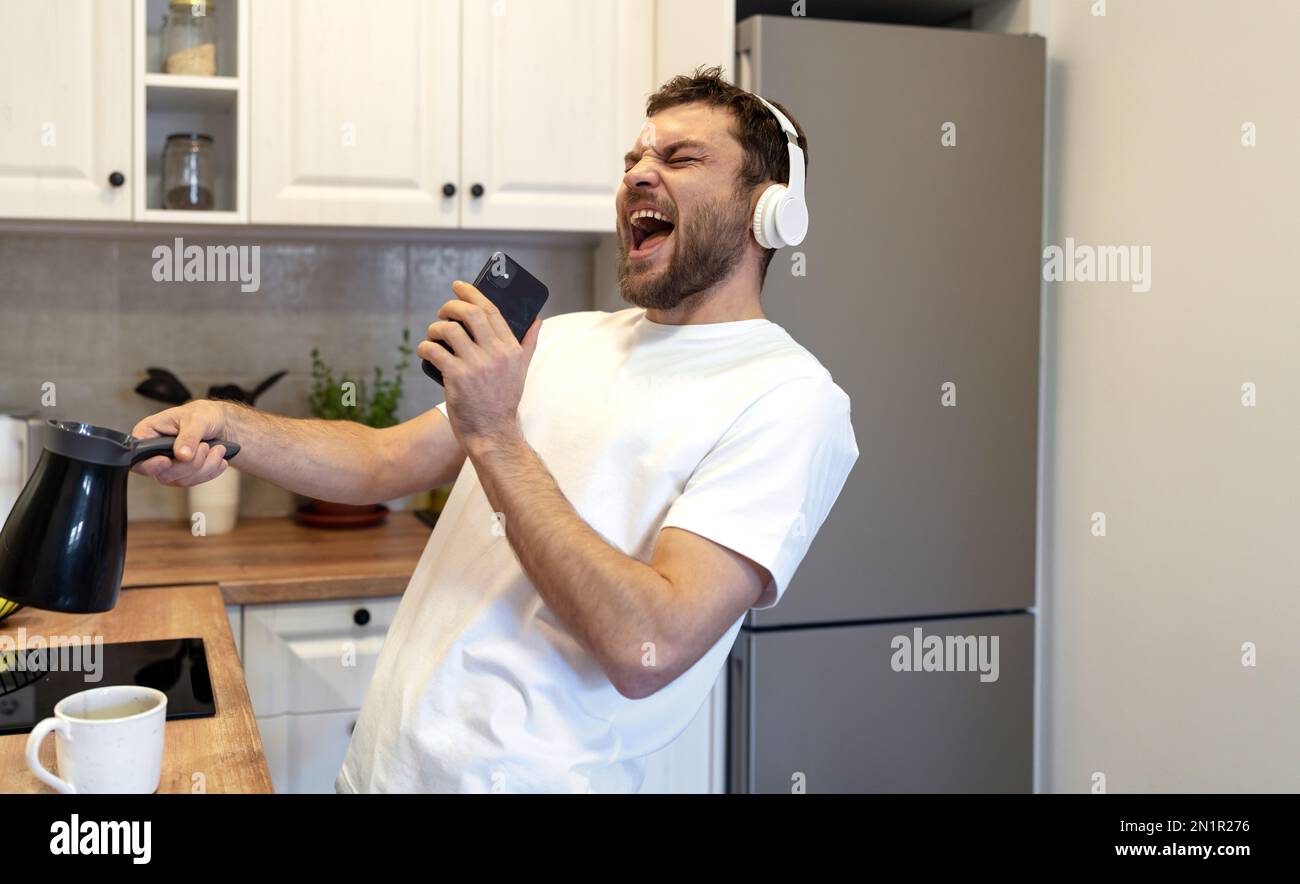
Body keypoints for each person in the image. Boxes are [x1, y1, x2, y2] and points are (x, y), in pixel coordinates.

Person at [132, 66, 859, 793]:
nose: (639, 175)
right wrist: (230, 426)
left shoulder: (788, 399)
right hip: (383, 775)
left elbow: (650, 646)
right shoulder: (567, 340)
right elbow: (383, 463)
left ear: (769, 210)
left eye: (679, 159)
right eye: (633, 160)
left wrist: (494, 434)